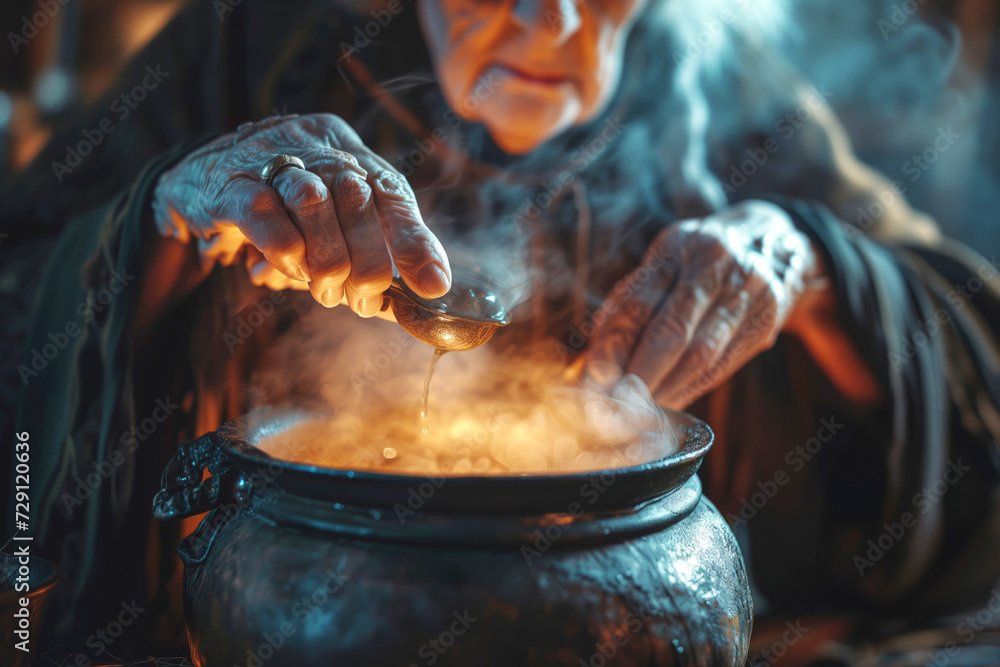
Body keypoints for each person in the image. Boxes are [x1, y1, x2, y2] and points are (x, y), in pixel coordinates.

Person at [2, 0, 998, 658]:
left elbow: (958, 336)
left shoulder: (718, 81)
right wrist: (163, 225)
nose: (549, 22)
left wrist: (811, 263)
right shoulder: (260, 41)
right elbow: (27, 284)